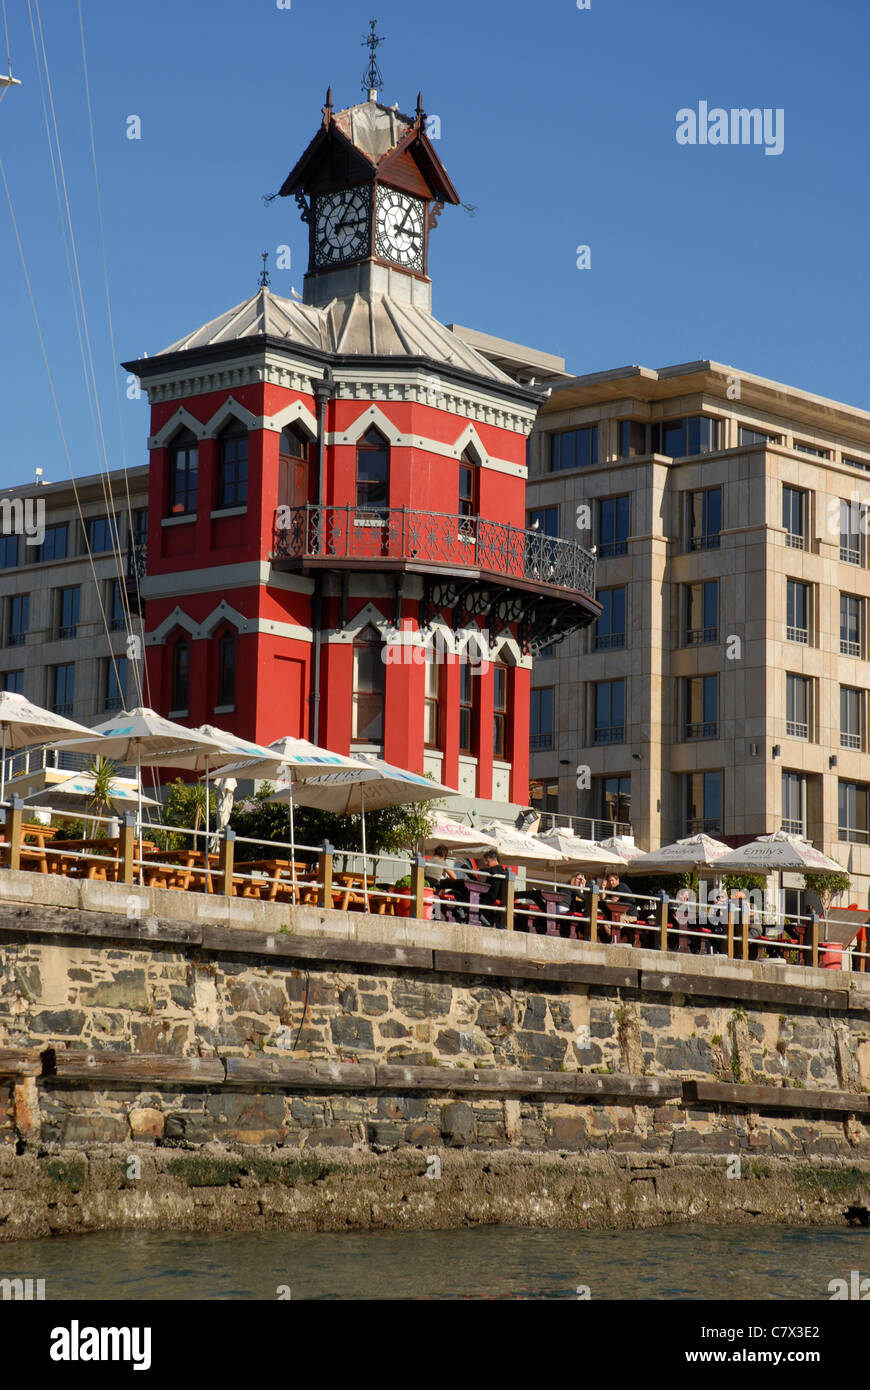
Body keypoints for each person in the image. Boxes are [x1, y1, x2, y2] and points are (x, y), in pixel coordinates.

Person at [477, 848, 510, 928]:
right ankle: (486, 922)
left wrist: (480, 870)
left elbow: (492, 871)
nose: (487, 864)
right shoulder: (498, 870)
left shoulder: (497, 869)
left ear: (495, 859)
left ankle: (485, 923)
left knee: (472, 900)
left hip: (492, 898)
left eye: (488, 861)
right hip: (493, 897)